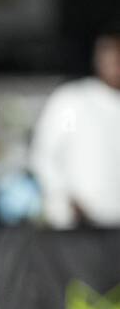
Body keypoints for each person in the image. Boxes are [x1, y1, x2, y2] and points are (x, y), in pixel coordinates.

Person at [30, 30, 120, 228]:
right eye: (110, 55)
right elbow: (43, 155)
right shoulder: (73, 101)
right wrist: (65, 199)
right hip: (77, 228)